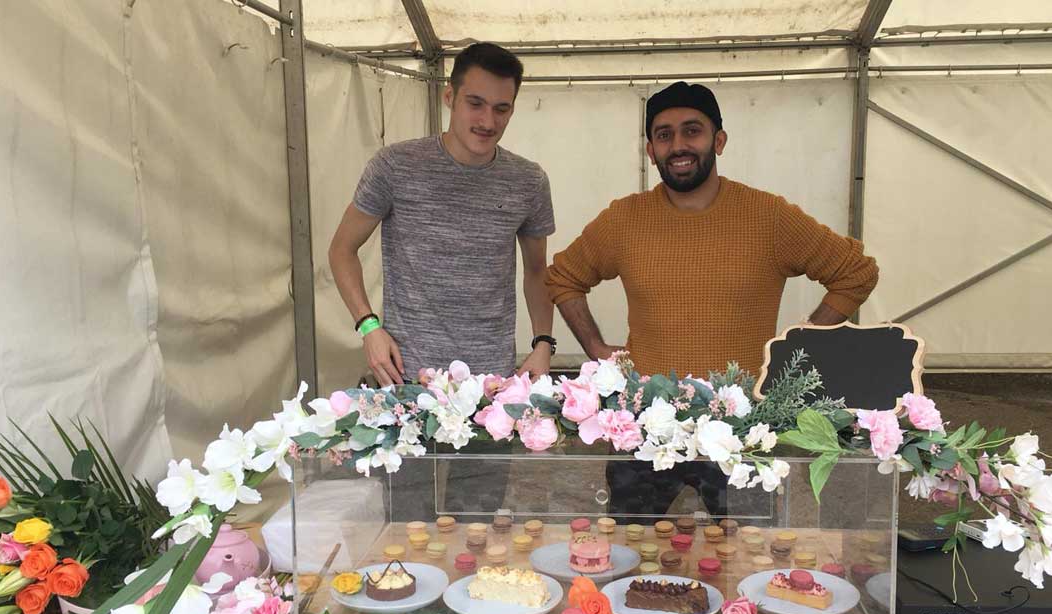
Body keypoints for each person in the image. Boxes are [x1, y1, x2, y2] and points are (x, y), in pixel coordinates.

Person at [545, 81, 879, 523]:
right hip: (645, 426)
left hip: (746, 429)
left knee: (749, 564)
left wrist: (796, 353)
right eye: (664, 135)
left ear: (718, 140)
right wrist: (598, 351)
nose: (678, 145)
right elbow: (564, 277)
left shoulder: (768, 216)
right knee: (632, 557)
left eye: (692, 131)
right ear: (650, 150)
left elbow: (856, 272)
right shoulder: (624, 220)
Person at [327, 42, 558, 519]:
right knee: (405, 523)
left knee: (475, 524)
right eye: (476, 103)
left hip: (492, 387)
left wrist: (543, 343)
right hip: (405, 379)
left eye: (501, 108)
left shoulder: (528, 181)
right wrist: (369, 327)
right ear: (449, 96)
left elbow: (537, 271)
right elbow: (341, 250)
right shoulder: (395, 166)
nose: (487, 121)